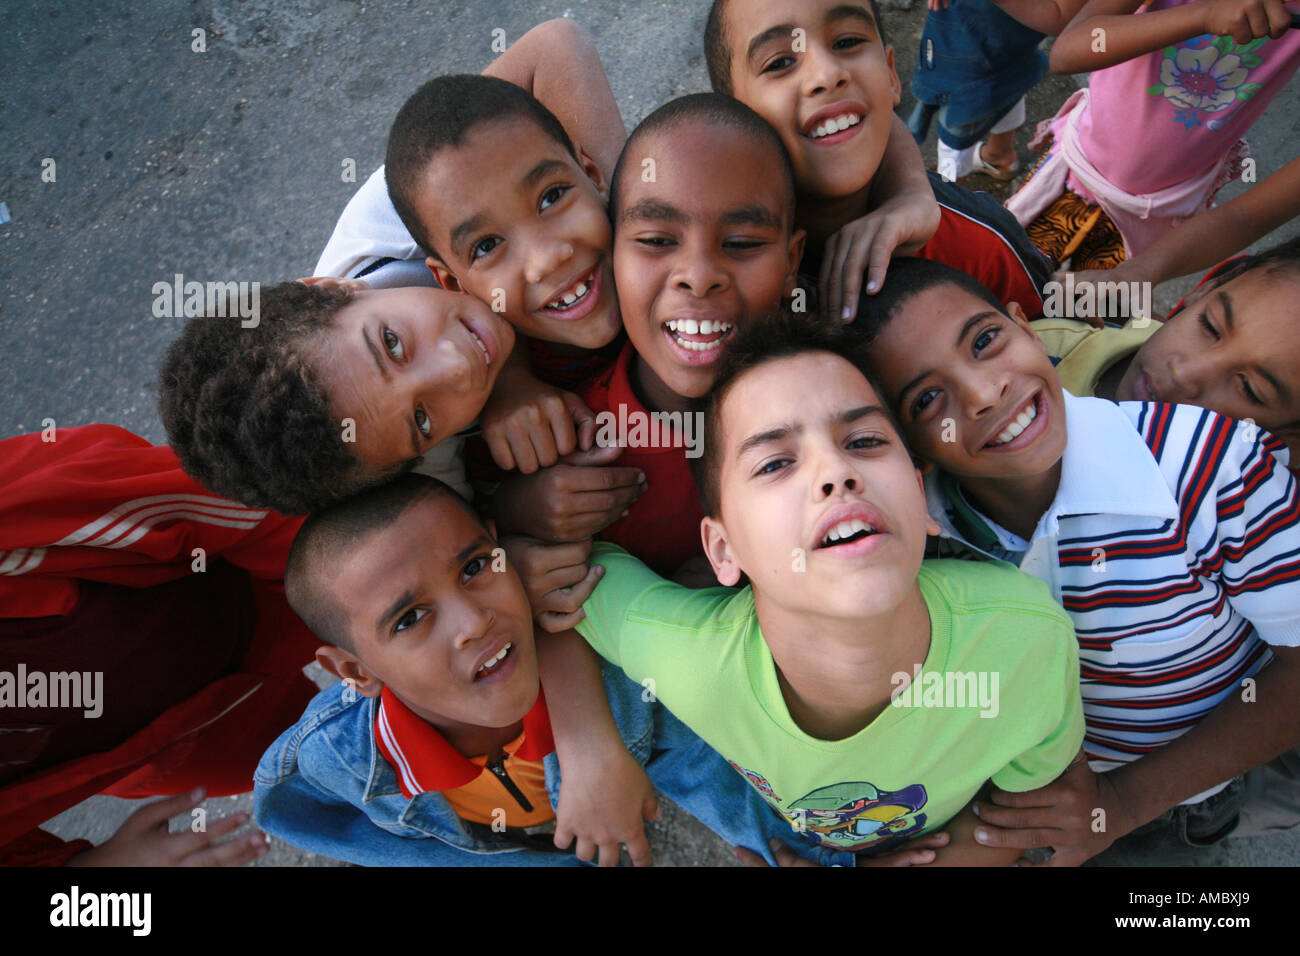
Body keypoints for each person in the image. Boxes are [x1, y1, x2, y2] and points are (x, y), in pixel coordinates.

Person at [535, 314, 1085, 866]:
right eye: (776, 462)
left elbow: (1026, 803)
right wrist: (587, 748)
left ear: (920, 499)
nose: (835, 471)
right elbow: (550, 571)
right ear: (723, 551)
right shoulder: (685, 656)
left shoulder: (1027, 639)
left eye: (864, 440)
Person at [858, 257, 1300, 863]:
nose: (986, 392)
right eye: (929, 398)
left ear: (1026, 327)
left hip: (1173, 798)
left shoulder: (1215, 466)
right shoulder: (924, 541)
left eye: (986, 341)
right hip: (1044, 798)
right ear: (911, 452)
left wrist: (1120, 804)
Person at [254, 472, 838, 866]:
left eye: (476, 566)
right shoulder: (339, 756)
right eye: (409, 619)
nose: (474, 622)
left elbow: (706, 762)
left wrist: (787, 847)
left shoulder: (622, 682)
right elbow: (287, 803)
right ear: (354, 672)